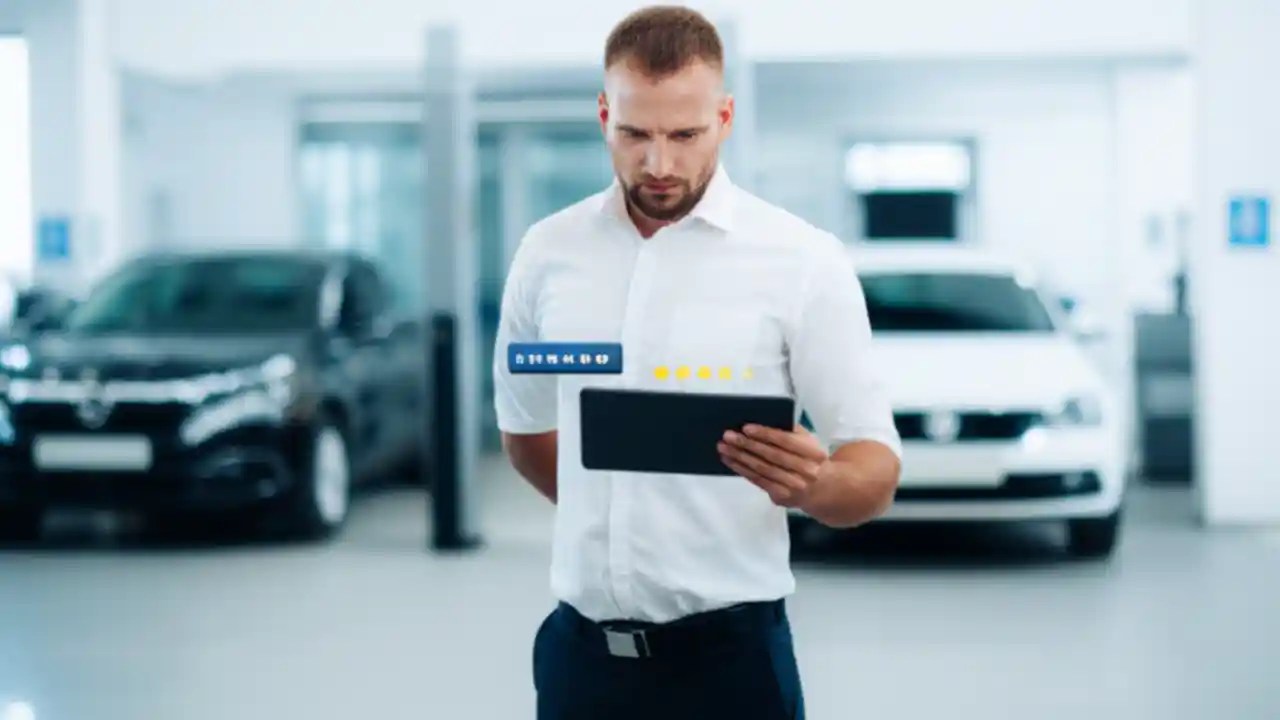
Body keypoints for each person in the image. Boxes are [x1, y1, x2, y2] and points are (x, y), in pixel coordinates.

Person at [492, 6, 903, 719]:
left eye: (685, 134)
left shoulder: (802, 261)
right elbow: (526, 432)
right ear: (602, 115)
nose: (659, 164)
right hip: (580, 664)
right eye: (634, 133)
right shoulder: (547, 252)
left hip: (732, 669)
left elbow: (874, 471)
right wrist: (622, 515)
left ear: (725, 116)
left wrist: (816, 484)